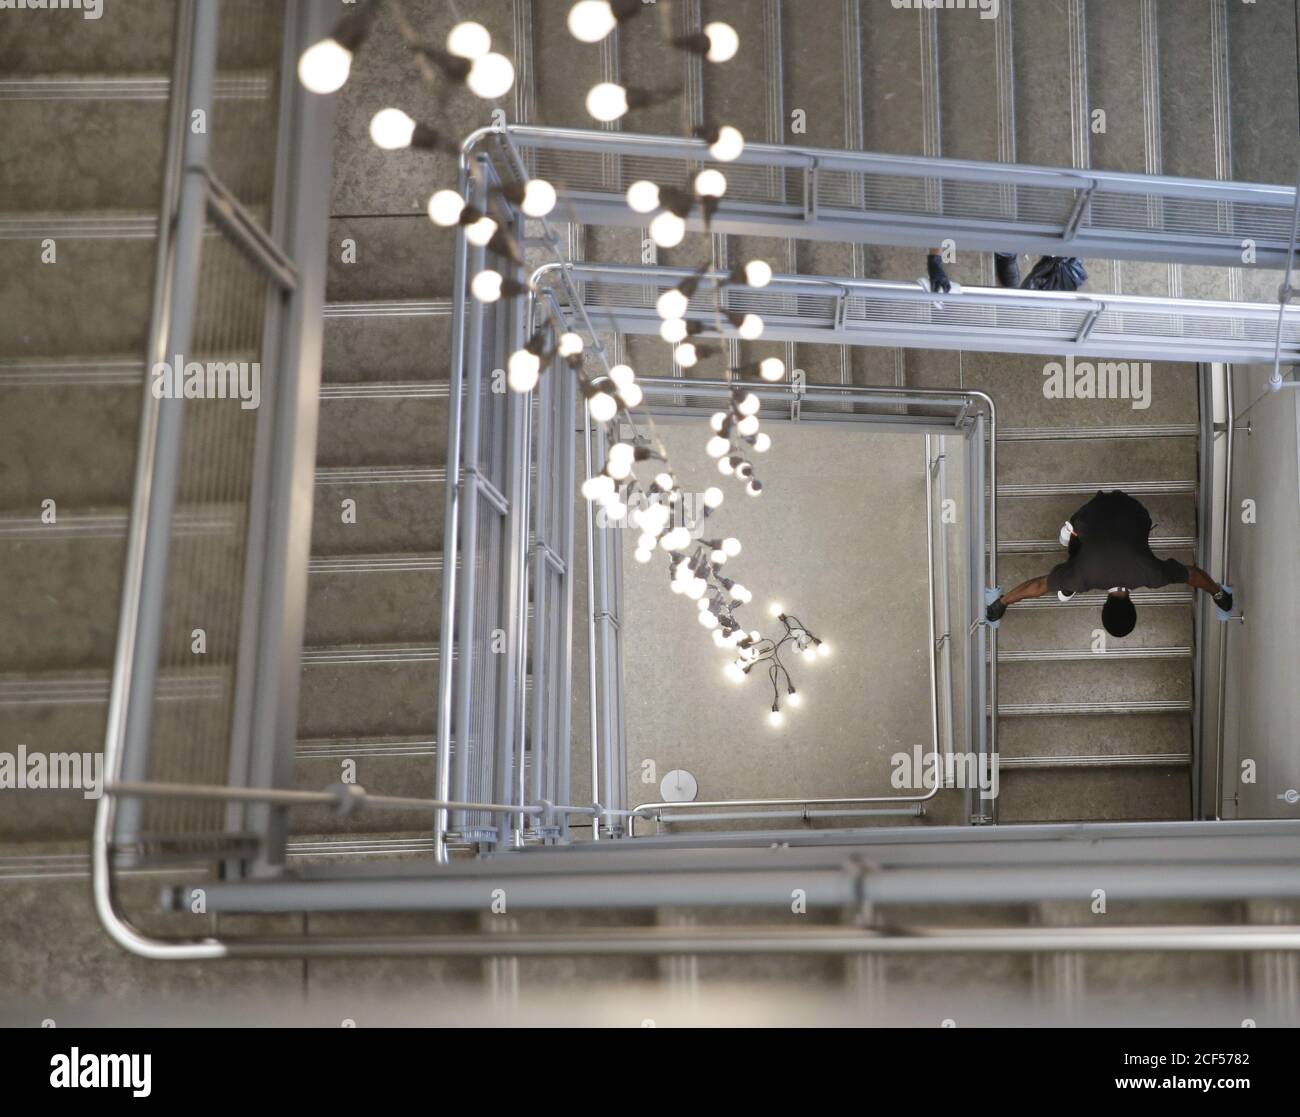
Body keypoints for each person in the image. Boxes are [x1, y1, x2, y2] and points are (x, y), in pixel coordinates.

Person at [985, 489, 1233, 638]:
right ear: (1103, 608)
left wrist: (1219, 594)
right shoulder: (1083, 578)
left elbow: (1192, 575)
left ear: (1133, 606)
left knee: (1075, 569)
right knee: (1069, 565)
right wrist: (1001, 603)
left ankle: (1073, 539)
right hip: (1091, 514)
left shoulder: (1152, 576)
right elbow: (1039, 586)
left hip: (1132, 509)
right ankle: (1070, 531)